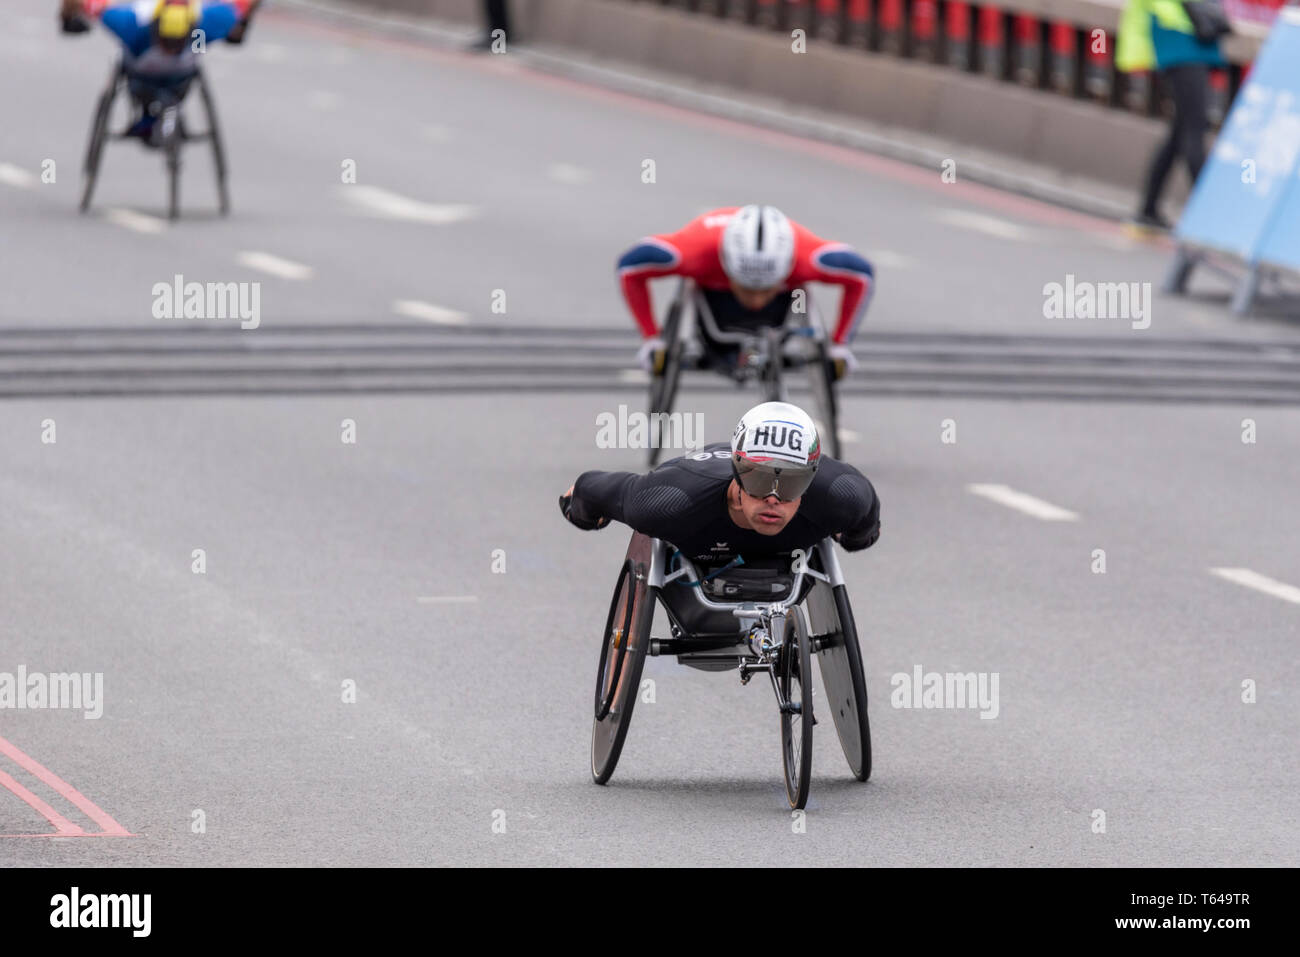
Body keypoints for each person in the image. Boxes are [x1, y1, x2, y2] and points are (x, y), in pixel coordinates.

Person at [558, 401, 880, 571]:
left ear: (810, 479)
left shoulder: (843, 494)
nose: (772, 498)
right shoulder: (670, 499)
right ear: (738, 472)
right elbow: (602, 489)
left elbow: (865, 521)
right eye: (759, 479)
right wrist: (581, 510)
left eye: (791, 485)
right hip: (697, 525)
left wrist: (854, 537)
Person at [616, 206, 874, 381]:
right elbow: (629, 266)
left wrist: (839, 345)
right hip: (714, 300)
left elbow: (862, 275)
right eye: (747, 288)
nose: (756, 300)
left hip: (779, 304)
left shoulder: (808, 258)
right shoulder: (693, 253)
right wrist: (651, 337)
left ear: (786, 269)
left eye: (766, 289)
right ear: (727, 264)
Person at [60, 0, 262, 144]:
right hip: (156, 75)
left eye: (175, 43)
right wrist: (241, 28)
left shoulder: (131, 24)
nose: (170, 47)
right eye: (167, 42)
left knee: (197, 46)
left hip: (164, 74)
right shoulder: (132, 23)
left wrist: (67, 18)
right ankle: (157, 116)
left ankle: (154, 118)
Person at [1117, 0, 1229, 231]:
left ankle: (1148, 210)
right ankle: (1211, 215)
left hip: (1188, 37)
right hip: (1182, 38)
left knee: (1179, 134)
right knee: (1193, 130)